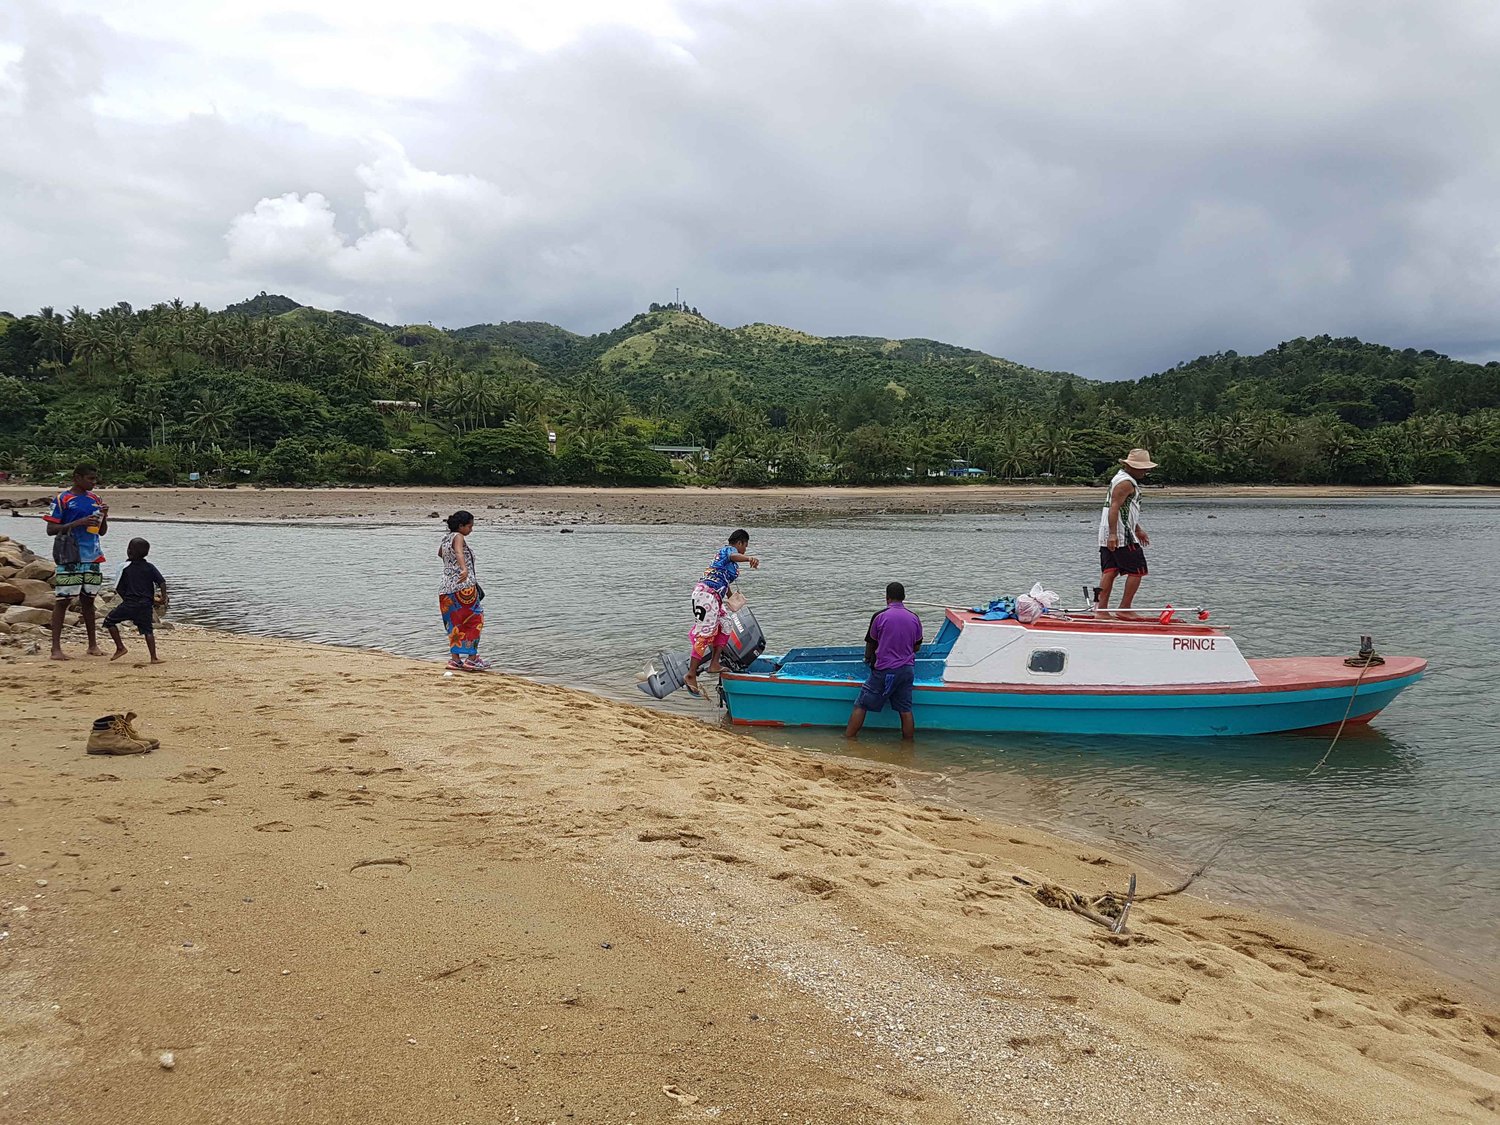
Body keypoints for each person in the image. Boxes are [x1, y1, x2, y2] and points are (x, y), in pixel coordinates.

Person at [44, 463, 109, 661]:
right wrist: (77, 523)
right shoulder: (62, 499)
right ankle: (56, 648)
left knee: (89, 600)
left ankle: (92, 645)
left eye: (95, 478)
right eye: (90, 479)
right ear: (77, 478)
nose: (94, 482)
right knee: (63, 600)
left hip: (93, 556)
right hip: (70, 557)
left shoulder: (95, 499)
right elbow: (50, 530)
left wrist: (104, 516)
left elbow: (102, 532)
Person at [684, 529, 759, 696]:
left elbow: (724, 580)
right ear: (739, 543)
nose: (745, 549)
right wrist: (749, 558)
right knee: (706, 634)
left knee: (726, 624)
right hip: (706, 594)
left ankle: (714, 664)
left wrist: (731, 597)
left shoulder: (730, 563)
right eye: (745, 546)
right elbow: (733, 555)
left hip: (715, 597)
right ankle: (690, 674)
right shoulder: (727, 551)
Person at [845, 582, 923, 741]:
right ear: (904, 597)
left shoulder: (880, 616)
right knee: (905, 710)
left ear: (887, 598)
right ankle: (908, 745)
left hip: (885, 670)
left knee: (861, 704)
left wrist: (868, 659)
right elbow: (917, 646)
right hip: (907, 670)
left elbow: (871, 643)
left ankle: (848, 740)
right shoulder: (914, 618)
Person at [1097, 448, 1157, 610]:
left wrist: (1137, 528)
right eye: (1142, 468)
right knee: (1138, 569)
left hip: (1111, 531)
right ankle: (1125, 608)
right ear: (1131, 466)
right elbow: (1115, 508)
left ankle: (1101, 609)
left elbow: (1125, 510)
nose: (1145, 471)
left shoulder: (1120, 478)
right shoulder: (1126, 483)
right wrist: (1113, 534)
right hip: (1121, 534)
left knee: (1110, 570)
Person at [438, 510, 489, 672]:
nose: (471, 530)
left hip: (446, 588)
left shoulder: (446, 538)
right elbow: (459, 552)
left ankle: (455, 660)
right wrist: (463, 568)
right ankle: (472, 659)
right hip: (463, 587)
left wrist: (450, 567)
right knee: (475, 620)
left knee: (454, 624)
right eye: (469, 526)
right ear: (461, 526)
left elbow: (440, 553)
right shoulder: (458, 536)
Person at [104, 537, 168, 663]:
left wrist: (125, 600)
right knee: (148, 630)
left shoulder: (125, 568)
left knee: (109, 621)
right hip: (145, 604)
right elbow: (162, 582)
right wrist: (163, 597)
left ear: (129, 551)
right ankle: (153, 657)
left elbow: (119, 588)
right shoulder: (150, 567)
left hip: (130, 603)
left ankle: (120, 647)